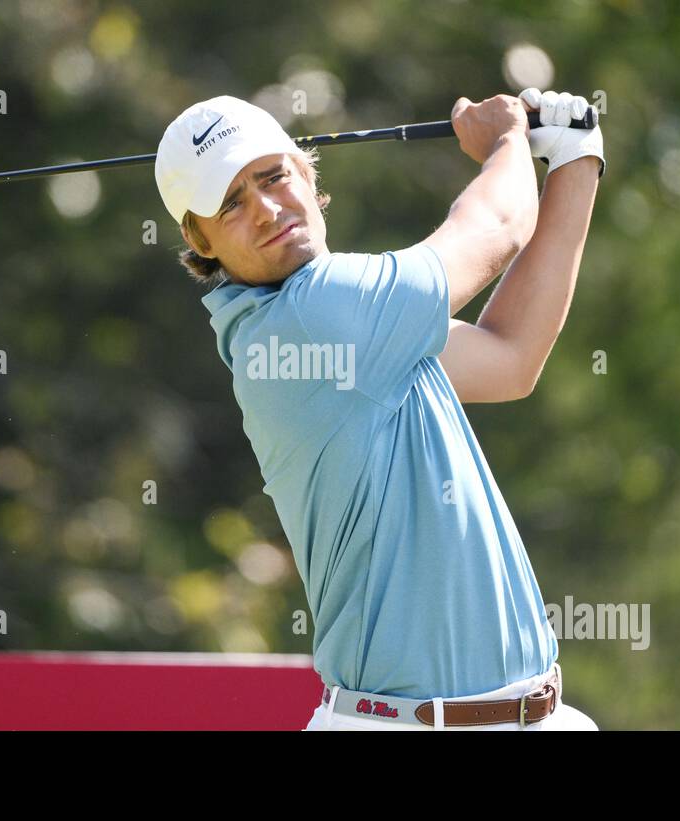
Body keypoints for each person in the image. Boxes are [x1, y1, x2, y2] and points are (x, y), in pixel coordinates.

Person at [155, 90, 604, 730]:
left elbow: (511, 356)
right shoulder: (315, 318)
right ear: (200, 239)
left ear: (307, 172)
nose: (265, 209)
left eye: (273, 176)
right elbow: (496, 226)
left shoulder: (350, 330)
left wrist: (575, 158)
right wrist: (504, 140)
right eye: (231, 203)